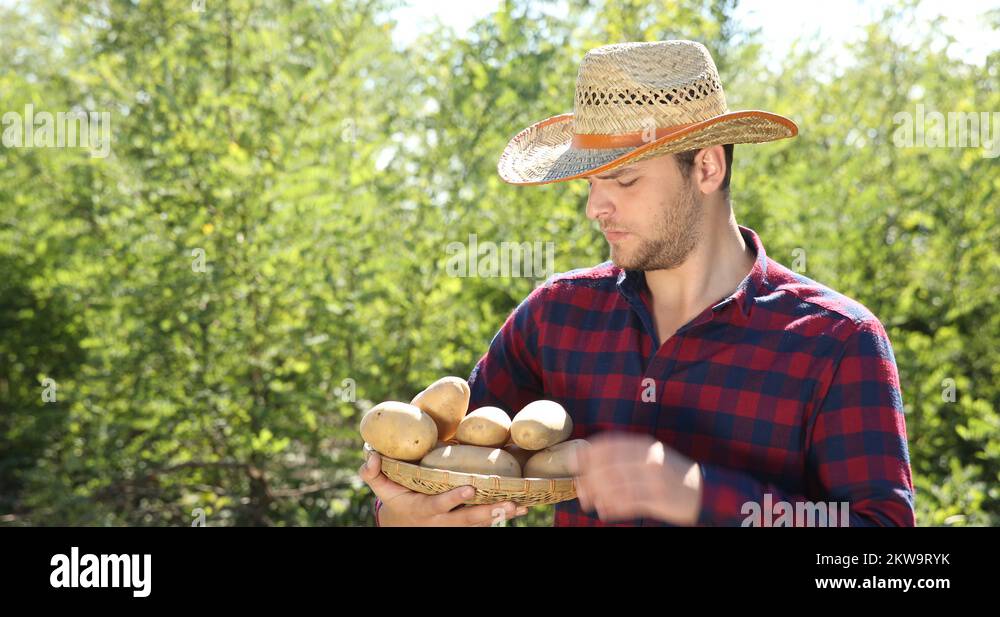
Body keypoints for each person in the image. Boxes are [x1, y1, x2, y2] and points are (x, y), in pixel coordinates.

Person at [360, 40, 915, 527]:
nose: (595, 208)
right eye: (591, 182)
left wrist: (703, 495)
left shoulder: (837, 340)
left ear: (706, 168)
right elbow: (450, 461)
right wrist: (405, 512)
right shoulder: (555, 316)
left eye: (623, 179)